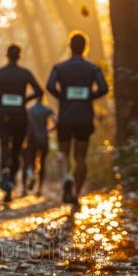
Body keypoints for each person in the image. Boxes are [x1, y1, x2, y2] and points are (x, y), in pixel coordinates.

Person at [46, 30, 108, 206]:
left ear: (70, 47)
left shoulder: (59, 68)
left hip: (65, 117)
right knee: (81, 157)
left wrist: (62, 96)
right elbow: (103, 88)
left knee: (63, 154)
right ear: (85, 48)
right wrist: (88, 96)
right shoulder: (93, 69)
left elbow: (50, 85)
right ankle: (76, 193)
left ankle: (66, 177)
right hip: (84, 118)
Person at [0, 44, 42, 203]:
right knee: (16, 150)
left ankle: (5, 173)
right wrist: (24, 100)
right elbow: (39, 91)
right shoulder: (25, 74)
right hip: (20, 116)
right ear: (19, 56)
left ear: (7, 55)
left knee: (4, 145)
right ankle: (11, 181)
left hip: (3, 115)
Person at [23, 94, 56, 195]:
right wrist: (50, 130)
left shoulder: (30, 110)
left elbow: (25, 124)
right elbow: (56, 120)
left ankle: (28, 182)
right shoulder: (47, 110)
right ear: (43, 99)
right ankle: (39, 189)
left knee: (29, 162)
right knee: (42, 163)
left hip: (31, 139)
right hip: (44, 138)